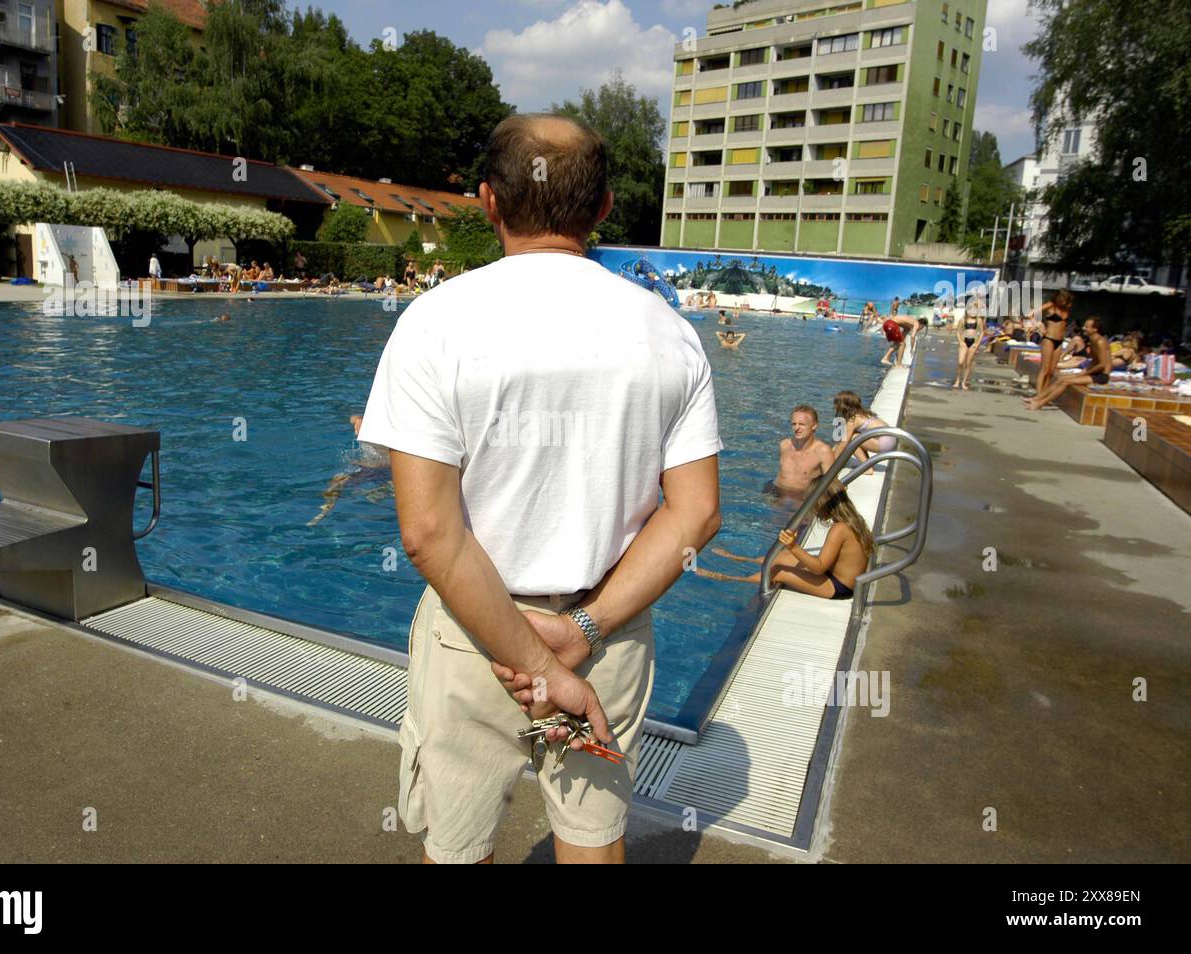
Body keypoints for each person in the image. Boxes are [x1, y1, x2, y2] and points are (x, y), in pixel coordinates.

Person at [357, 113, 722, 865]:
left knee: (458, 848)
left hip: (473, 635)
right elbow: (697, 511)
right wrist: (574, 639)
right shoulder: (669, 332)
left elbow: (428, 534)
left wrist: (531, 657)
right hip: (606, 635)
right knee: (592, 843)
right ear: (603, 208)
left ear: (489, 201)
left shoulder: (434, 324)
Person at [701, 479, 872, 599]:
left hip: (840, 587)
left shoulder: (839, 529)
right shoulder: (851, 520)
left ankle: (732, 579)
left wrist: (793, 546)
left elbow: (819, 568)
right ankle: (742, 559)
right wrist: (791, 551)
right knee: (782, 557)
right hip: (837, 576)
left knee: (779, 572)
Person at [308, 415, 392, 525]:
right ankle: (324, 510)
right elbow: (353, 417)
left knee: (341, 480)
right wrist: (360, 419)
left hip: (375, 468)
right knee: (340, 480)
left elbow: (353, 418)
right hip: (379, 468)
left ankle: (325, 510)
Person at [1024, 317, 1113, 411]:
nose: (1083, 328)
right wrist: (1084, 371)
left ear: (1095, 329)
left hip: (1102, 376)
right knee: (1061, 378)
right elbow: (1094, 362)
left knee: (1065, 382)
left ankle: (1039, 404)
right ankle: (1036, 399)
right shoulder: (1092, 341)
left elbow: (1102, 365)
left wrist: (1085, 373)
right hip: (1093, 373)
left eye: (1087, 327)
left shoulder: (1100, 342)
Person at [771, 405, 837, 496]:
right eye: (794, 424)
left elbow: (832, 482)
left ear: (814, 425)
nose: (797, 428)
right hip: (776, 492)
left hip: (801, 498)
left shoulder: (822, 451)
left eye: (801, 424)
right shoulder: (784, 445)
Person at [831, 390, 895, 475]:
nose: (834, 407)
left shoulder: (853, 420)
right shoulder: (864, 414)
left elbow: (843, 444)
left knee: (852, 440)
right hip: (891, 439)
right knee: (855, 437)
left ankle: (867, 469)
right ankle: (866, 464)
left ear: (842, 406)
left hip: (884, 442)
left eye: (836, 404)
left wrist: (831, 464)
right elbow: (840, 443)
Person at [1025, 290, 1074, 396]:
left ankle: (1044, 394)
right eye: (1061, 299)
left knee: (1051, 371)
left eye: (1065, 300)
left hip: (1060, 341)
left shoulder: (1066, 309)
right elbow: (1030, 314)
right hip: (1049, 339)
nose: (1063, 302)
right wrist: (1039, 325)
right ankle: (1039, 395)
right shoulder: (1051, 305)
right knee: (1045, 369)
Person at [953, 294, 986, 390]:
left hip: (973, 343)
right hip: (964, 342)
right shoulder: (963, 320)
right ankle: (957, 380)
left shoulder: (978, 320)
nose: (973, 311)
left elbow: (982, 333)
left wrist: (977, 344)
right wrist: (960, 342)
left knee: (968, 363)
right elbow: (958, 331)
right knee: (960, 362)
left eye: (974, 310)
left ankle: (963, 382)